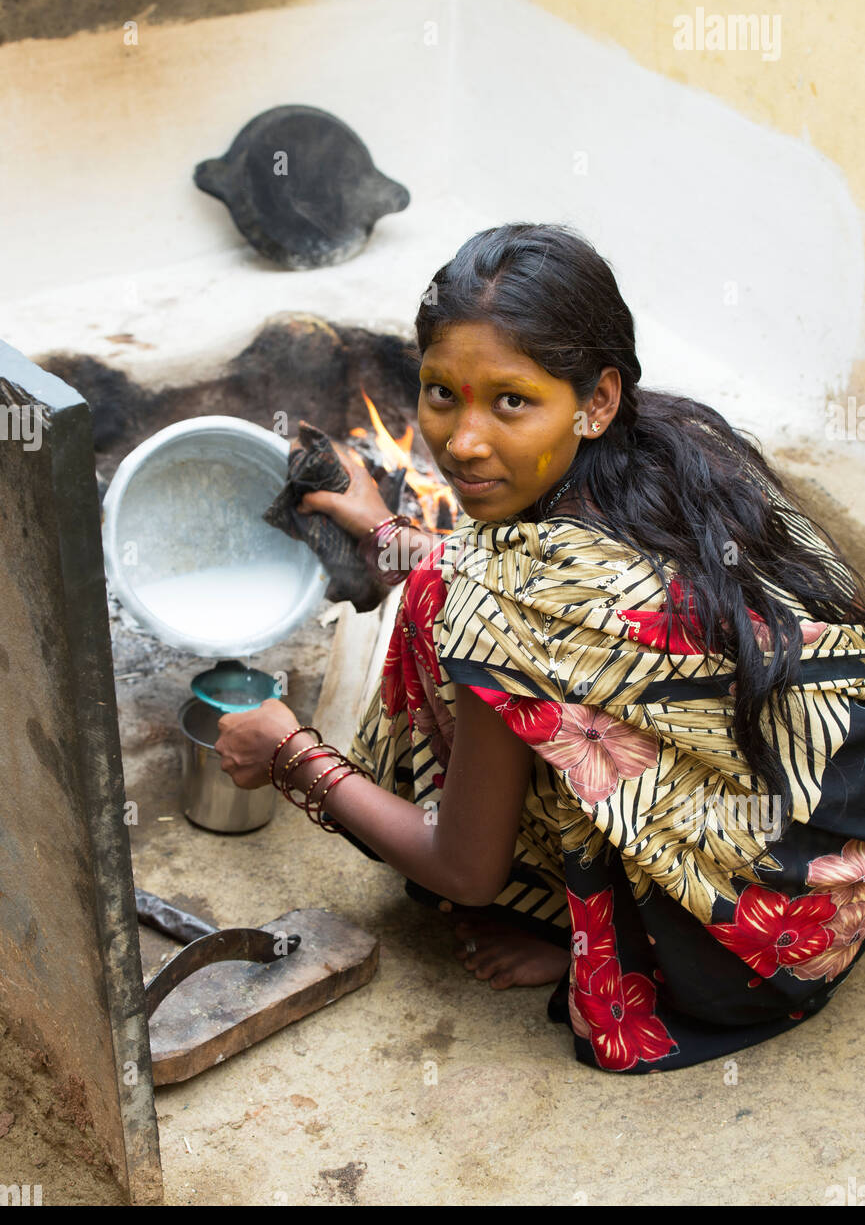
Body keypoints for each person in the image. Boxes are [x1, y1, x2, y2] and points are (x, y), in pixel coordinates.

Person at [215, 222, 865, 1074]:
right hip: (832, 861)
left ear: (594, 401)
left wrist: (291, 752)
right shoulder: (678, 443)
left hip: (760, 948)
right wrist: (387, 533)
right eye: (441, 393)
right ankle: (609, 913)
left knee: (448, 618)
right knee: (442, 601)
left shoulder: (498, 601)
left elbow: (464, 873)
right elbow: (578, 607)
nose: (462, 439)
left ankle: (611, 947)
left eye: (509, 401)